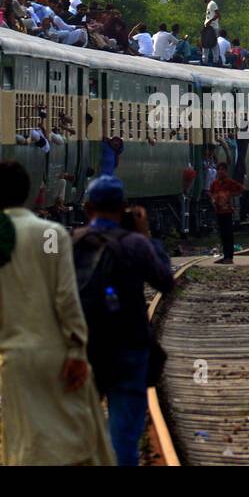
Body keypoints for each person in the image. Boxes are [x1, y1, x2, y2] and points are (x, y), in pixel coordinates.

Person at [0, 161, 114, 466]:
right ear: (26, 194)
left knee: (28, 446)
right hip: (61, 356)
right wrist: (77, 350)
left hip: (16, 360)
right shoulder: (51, 234)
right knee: (78, 441)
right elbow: (66, 297)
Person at [71, 176, 174, 466]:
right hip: (129, 346)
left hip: (83, 347)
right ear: (125, 207)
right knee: (124, 436)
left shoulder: (72, 243)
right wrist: (147, 234)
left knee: (79, 432)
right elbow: (166, 282)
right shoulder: (135, 244)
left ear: (88, 207)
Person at [209, 162, 245, 263]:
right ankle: (225, 256)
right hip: (219, 211)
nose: (220, 172)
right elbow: (210, 192)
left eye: (222, 170)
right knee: (223, 235)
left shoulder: (230, 182)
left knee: (228, 234)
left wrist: (230, 195)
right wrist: (214, 199)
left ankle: (229, 257)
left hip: (227, 211)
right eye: (219, 170)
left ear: (226, 171)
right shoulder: (215, 183)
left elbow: (241, 189)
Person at [200, 0, 221, 65]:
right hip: (208, 27)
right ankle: (205, 60)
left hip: (212, 27)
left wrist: (210, 21)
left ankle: (216, 60)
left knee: (213, 44)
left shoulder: (212, 3)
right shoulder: (209, 4)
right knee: (205, 43)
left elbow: (218, 15)